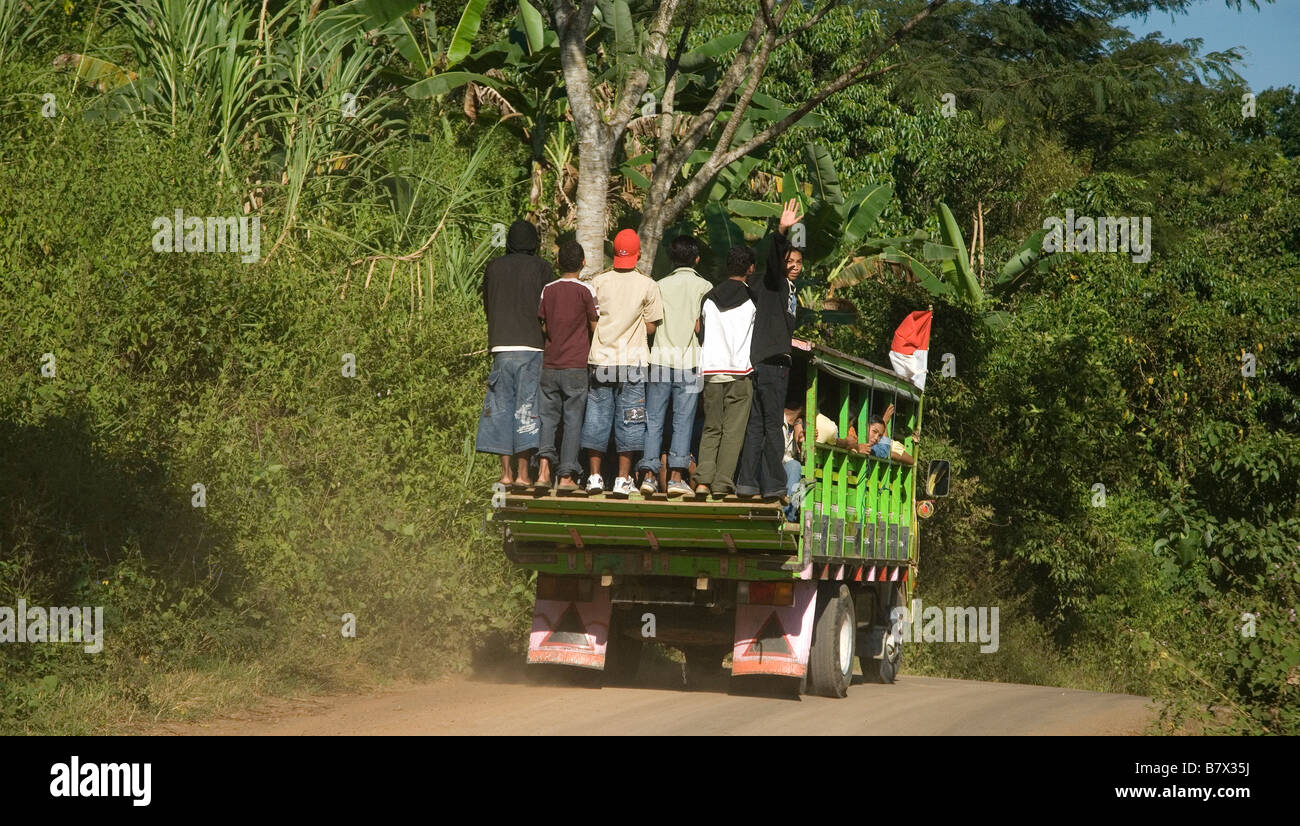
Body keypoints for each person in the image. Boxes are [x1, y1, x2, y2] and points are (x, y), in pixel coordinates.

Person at [580, 229, 663, 498]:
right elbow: (651, 327)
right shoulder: (648, 285)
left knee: (597, 417)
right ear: (637, 254)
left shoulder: (598, 282)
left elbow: (592, 322)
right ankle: (622, 480)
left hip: (602, 360)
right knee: (630, 419)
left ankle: (593, 477)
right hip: (633, 363)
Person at [475, 219, 552, 490]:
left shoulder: (493, 267)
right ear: (534, 243)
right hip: (531, 348)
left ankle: (505, 474)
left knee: (500, 410)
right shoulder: (542, 268)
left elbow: (487, 305)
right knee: (526, 410)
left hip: (500, 348)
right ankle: (523, 474)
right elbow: (549, 311)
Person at [736, 198, 803, 501]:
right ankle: (774, 485)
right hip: (772, 363)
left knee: (758, 423)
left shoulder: (790, 291)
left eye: (799, 262)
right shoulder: (774, 283)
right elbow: (774, 262)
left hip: (765, 362)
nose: (794, 266)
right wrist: (781, 230)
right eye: (790, 261)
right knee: (772, 425)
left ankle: (748, 482)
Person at [637, 235, 712, 498]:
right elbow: (702, 327)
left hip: (659, 358)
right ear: (696, 259)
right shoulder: (705, 286)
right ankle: (676, 479)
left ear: (671, 258)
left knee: (653, 420)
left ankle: (648, 475)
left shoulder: (659, 285)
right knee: (684, 422)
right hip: (689, 362)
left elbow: (652, 323)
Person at [692, 246, 757, 499]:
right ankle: (721, 483)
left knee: (711, 427)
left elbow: (701, 333)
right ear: (750, 268)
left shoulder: (709, 297)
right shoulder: (753, 298)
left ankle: (702, 482)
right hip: (740, 372)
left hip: (711, 370)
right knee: (733, 432)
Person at [536, 240, 599, 493]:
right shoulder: (586, 291)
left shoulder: (548, 290)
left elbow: (544, 326)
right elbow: (595, 325)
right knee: (573, 420)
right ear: (583, 263)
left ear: (558, 263)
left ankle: (542, 471)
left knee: (548, 419)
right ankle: (566, 476)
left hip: (550, 365)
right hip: (575, 367)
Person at [782, 406, 806, 522]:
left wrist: (802, 441)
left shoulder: (802, 425)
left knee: (796, 468)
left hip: (787, 471)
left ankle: (788, 516)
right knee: (794, 466)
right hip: (771, 468)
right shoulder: (776, 418)